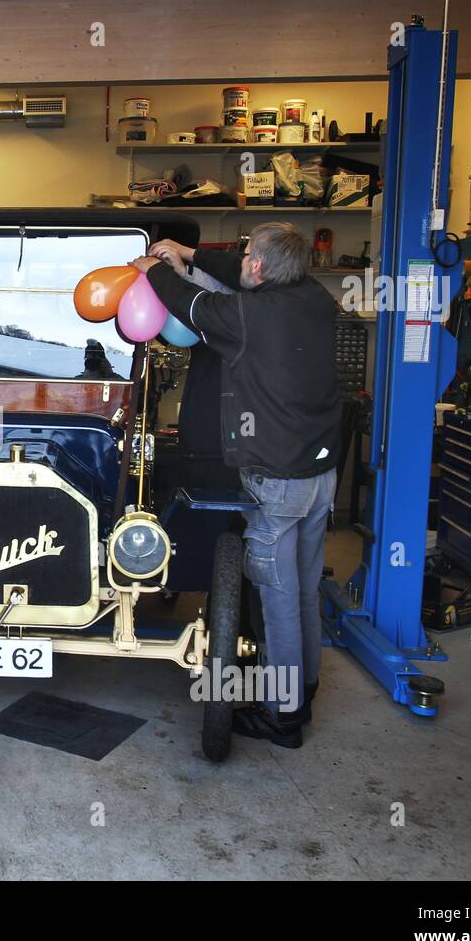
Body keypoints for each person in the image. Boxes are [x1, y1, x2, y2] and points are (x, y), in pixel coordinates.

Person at [132, 222, 341, 748]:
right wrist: (188, 251)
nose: (241, 259)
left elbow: (188, 304)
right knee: (303, 586)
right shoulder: (314, 297)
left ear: (258, 269)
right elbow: (235, 270)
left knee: (278, 599)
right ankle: (306, 689)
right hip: (320, 476)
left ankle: (283, 715)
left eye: (246, 254)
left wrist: (156, 269)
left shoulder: (247, 318)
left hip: (278, 481)